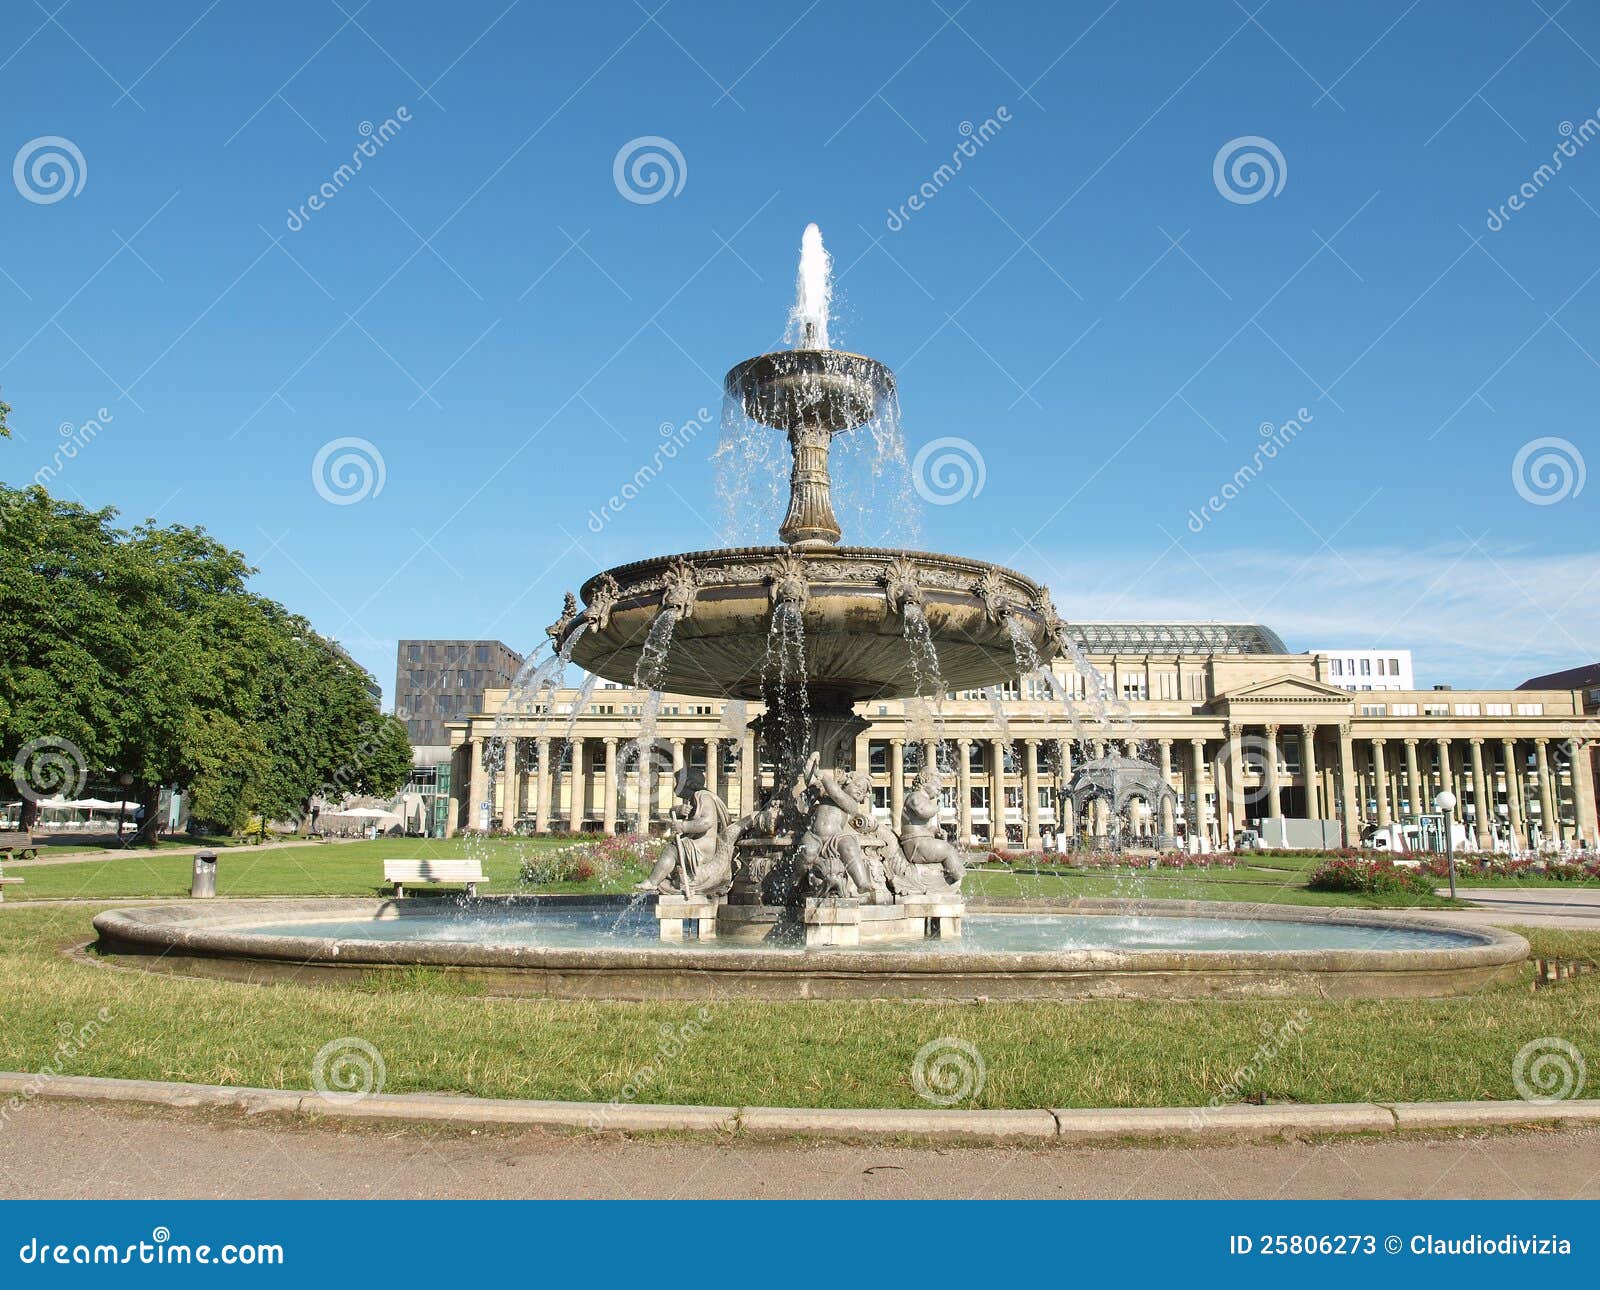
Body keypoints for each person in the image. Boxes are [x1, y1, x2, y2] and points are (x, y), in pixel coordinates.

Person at [796, 752, 893, 903]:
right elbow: (811, 783)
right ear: (846, 782)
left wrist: (821, 774)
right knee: (807, 852)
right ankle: (796, 880)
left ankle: (862, 882)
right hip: (814, 835)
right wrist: (811, 764)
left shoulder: (850, 804)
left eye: (863, 792)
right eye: (858, 786)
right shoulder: (826, 793)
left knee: (849, 845)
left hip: (835, 838)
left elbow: (837, 795)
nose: (860, 791)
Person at [636, 767, 733, 898]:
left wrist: (683, 826)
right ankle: (666, 880)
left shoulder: (703, 797)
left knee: (672, 850)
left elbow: (707, 822)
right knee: (674, 848)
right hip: (698, 844)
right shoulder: (693, 798)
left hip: (703, 848)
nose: (675, 787)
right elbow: (673, 812)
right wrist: (678, 810)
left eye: (677, 782)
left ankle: (652, 882)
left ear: (688, 783)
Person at [895, 766, 965, 891]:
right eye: (937, 785)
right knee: (948, 850)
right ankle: (956, 878)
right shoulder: (915, 796)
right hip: (916, 845)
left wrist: (936, 831)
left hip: (921, 842)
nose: (941, 788)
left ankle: (948, 881)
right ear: (925, 782)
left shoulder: (923, 799)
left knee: (947, 848)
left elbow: (924, 827)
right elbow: (922, 811)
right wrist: (937, 808)